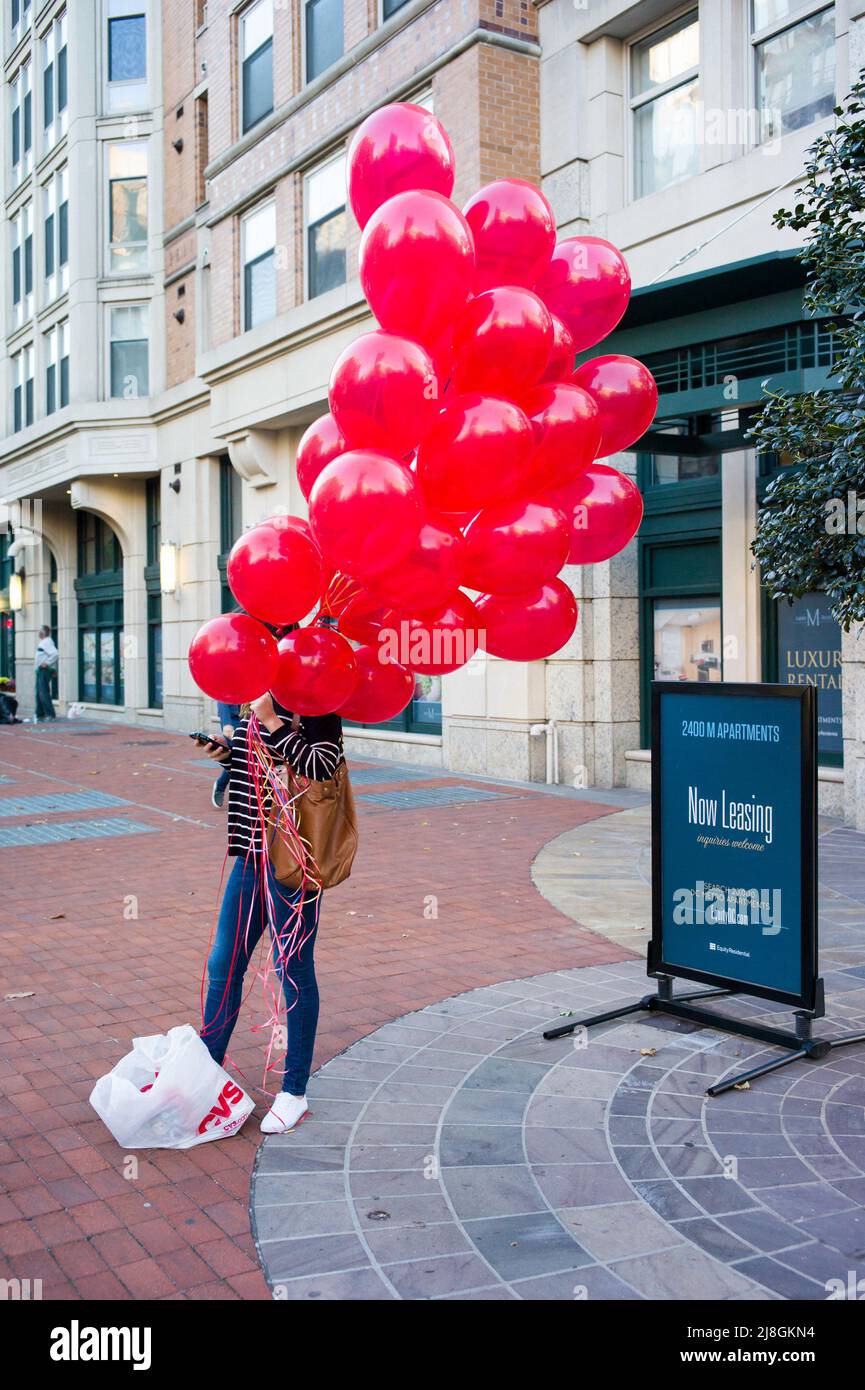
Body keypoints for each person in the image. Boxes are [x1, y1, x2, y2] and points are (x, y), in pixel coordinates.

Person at [199, 691, 344, 1133]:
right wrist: (227, 756)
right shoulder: (253, 694)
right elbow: (259, 772)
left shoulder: (316, 696)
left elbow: (322, 768)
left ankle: (294, 1091)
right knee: (224, 964)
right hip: (249, 853)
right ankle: (205, 1075)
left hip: (294, 857)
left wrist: (274, 722)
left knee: (291, 966)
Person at [211, 702, 240, 809]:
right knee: (238, 755)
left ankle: (221, 785)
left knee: (241, 757)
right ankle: (220, 786)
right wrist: (226, 724)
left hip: (248, 718)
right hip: (232, 721)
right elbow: (222, 701)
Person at [34, 626, 58, 722]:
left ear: (44, 632)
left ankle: (50, 714)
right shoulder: (44, 642)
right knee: (39, 692)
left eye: (40, 631)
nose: (38, 633)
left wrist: (47, 664)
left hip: (44, 670)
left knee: (43, 692)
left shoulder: (47, 642)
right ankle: (40, 714)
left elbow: (55, 654)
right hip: (41, 670)